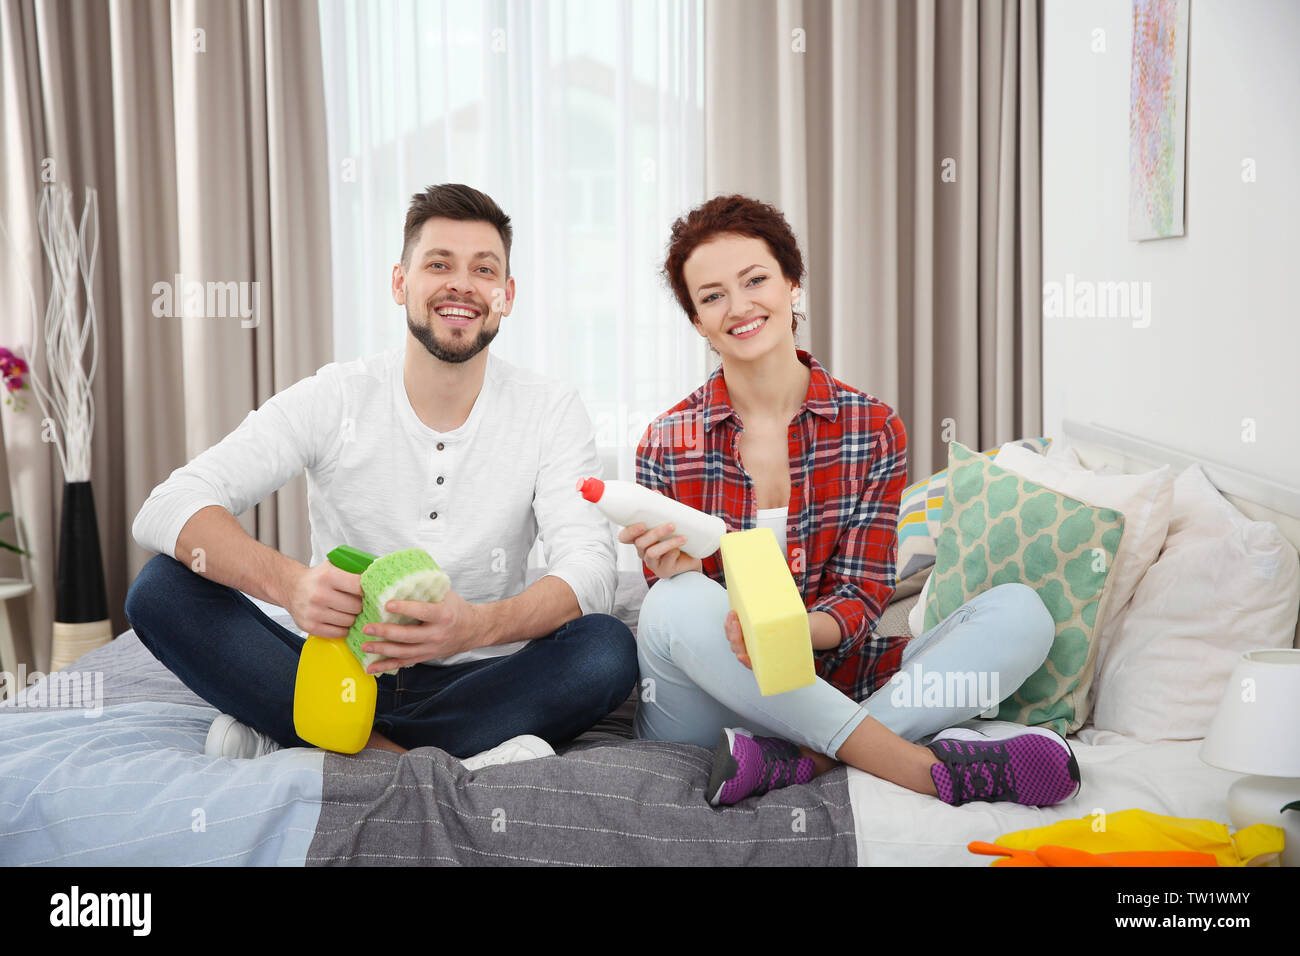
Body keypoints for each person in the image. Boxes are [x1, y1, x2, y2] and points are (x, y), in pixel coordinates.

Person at [126, 183, 638, 765]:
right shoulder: (336, 394)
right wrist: (290, 586)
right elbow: (169, 505)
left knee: (606, 649)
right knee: (161, 589)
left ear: (506, 295)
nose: (461, 285)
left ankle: (316, 734)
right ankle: (406, 751)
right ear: (401, 283)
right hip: (335, 667)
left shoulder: (550, 408)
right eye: (438, 264)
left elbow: (592, 568)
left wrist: (472, 627)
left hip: (477, 676)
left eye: (483, 269)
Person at [624, 194, 1081, 808]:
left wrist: (787, 635)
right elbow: (682, 624)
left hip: (840, 680)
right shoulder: (666, 440)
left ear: (791, 283)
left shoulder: (872, 428)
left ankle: (803, 760)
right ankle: (917, 768)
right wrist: (675, 576)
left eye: (755, 279)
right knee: (674, 604)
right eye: (712, 296)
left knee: (1022, 614)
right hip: (714, 705)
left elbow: (863, 594)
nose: (739, 307)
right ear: (698, 322)